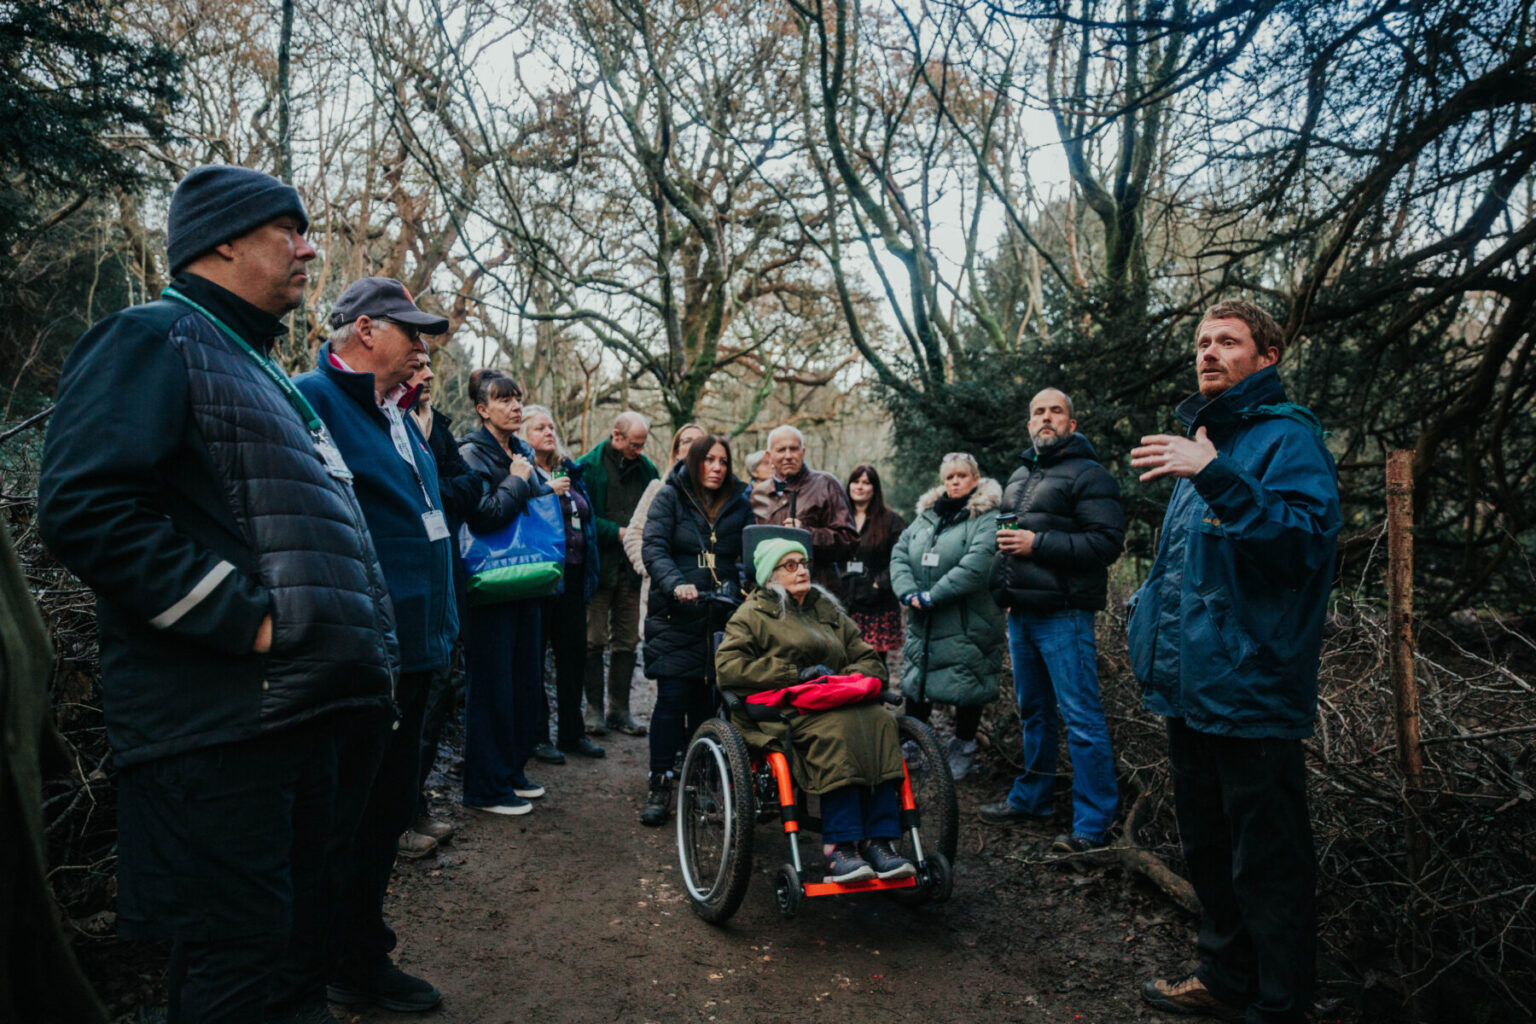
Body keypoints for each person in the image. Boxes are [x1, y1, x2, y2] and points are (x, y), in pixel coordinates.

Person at [38, 165, 397, 1024]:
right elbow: (86, 508)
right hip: (218, 731)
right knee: (237, 976)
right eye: (290, 231)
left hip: (293, 722)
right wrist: (246, 620)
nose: (310, 248)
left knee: (293, 965)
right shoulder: (150, 339)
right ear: (226, 240)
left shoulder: (254, 365)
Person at [1128, 300, 1340, 1024]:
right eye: (1202, 341)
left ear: (1268, 357)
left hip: (1252, 691)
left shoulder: (1288, 441)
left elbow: (1301, 550)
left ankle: (1281, 1005)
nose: (1208, 352)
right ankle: (1225, 978)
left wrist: (1215, 475)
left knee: (1269, 863)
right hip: (1192, 690)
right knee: (1211, 850)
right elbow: (1187, 575)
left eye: (1228, 341)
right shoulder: (1205, 440)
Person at [294, 276, 459, 1013]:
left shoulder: (400, 416)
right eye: (410, 333)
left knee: (386, 817)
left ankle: (359, 955)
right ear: (365, 330)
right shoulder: (310, 401)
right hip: (360, 659)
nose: (422, 349)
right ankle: (318, 969)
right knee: (340, 826)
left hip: (419, 655)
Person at [979, 388, 1126, 855]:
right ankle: (1033, 799)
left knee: (1081, 720)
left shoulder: (1090, 475)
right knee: (1035, 715)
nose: (1046, 418)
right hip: (1021, 616)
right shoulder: (1021, 475)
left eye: (1055, 411)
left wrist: (1037, 543)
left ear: (1072, 424)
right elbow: (1005, 542)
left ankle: (1093, 826)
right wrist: (999, 587)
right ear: (1029, 425)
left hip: (1065, 616)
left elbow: (1105, 544)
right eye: (1038, 412)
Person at [716, 540, 915, 882]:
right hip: (783, 708)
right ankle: (840, 846)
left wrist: (845, 680)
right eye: (789, 565)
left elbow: (868, 659)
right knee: (838, 728)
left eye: (803, 562)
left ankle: (879, 840)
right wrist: (794, 674)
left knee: (881, 721)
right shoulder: (752, 614)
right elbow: (729, 667)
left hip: (835, 697)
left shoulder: (826, 609)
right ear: (769, 576)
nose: (803, 570)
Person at [638, 434, 752, 825]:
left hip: (720, 621)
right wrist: (674, 583)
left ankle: (702, 781)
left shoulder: (740, 504)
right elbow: (653, 547)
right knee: (672, 700)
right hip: (676, 617)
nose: (718, 467)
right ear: (694, 462)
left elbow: (744, 560)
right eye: (710, 460)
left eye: (724, 461)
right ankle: (660, 781)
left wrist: (736, 589)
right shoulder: (670, 497)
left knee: (708, 706)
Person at [457, 369, 548, 816]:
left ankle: (510, 771)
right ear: (482, 409)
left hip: (524, 581)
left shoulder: (520, 450)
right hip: (490, 587)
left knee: (522, 684)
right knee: (491, 686)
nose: (515, 406)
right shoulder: (471, 454)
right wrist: (517, 479)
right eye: (504, 399)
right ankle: (484, 787)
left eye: (518, 398)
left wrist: (535, 480)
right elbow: (484, 516)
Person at [402, 365, 481, 857]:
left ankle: (414, 807)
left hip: (444, 575)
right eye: (416, 366)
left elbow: (466, 488)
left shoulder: (442, 427)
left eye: (429, 365)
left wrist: (437, 487)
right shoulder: (383, 422)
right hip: (404, 580)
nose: (426, 374)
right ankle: (397, 815)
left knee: (436, 699)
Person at [889, 453, 1004, 781]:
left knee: (967, 683)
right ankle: (914, 745)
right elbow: (899, 553)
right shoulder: (927, 515)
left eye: (962, 476)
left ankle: (963, 748)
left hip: (968, 618)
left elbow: (977, 563)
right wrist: (908, 592)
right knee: (918, 680)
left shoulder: (987, 517)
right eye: (949, 477)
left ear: (975, 478)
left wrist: (932, 596)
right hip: (924, 618)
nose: (955, 482)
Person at [521, 405, 605, 761]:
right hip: (538, 577)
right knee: (535, 659)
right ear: (524, 434)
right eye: (540, 427)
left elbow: (586, 517)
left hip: (572, 577)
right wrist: (544, 493)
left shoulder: (568, 470)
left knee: (573, 657)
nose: (549, 432)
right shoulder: (520, 471)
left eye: (551, 426)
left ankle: (573, 732)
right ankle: (538, 736)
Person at [577, 411, 660, 736]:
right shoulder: (588, 466)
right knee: (593, 640)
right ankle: (594, 711)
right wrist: (618, 532)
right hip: (599, 569)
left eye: (642, 445)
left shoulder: (648, 470)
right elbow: (581, 517)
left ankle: (620, 710)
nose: (638, 451)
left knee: (627, 641)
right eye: (634, 445)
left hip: (631, 571)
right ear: (617, 435)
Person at [750, 425, 857, 590]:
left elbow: (849, 541)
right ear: (769, 456)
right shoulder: (758, 494)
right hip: (773, 593)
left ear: (803, 452)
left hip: (817, 592)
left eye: (794, 449)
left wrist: (806, 534)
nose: (788, 456)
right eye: (781, 450)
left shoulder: (825, 484)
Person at [623, 422, 708, 628]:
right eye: (687, 441)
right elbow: (633, 535)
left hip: (706, 596)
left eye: (700, 441)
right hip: (662, 594)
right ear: (677, 451)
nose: (694, 445)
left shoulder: (720, 497)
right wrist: (653, 569)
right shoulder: (658, 489)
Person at [839, 465, 907, 676]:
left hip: (877, 605)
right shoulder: (839, 517)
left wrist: (881, 583)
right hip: (844, 601)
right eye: (856, 481)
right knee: (845, 661)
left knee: (874, 663)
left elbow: (903, 555)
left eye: (866, 482)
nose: (860, 487)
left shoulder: (890, 520)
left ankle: (877, 705)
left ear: (874, 488)